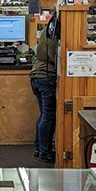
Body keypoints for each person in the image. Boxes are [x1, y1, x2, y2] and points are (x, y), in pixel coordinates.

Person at [30, 12, 58, 164]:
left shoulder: (47, 30)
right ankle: (44, 152)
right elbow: (55, 57)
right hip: (46, 77)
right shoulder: (55, 34)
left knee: (43, 115)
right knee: (48, 116)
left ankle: (39, 148)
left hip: (36, 75)